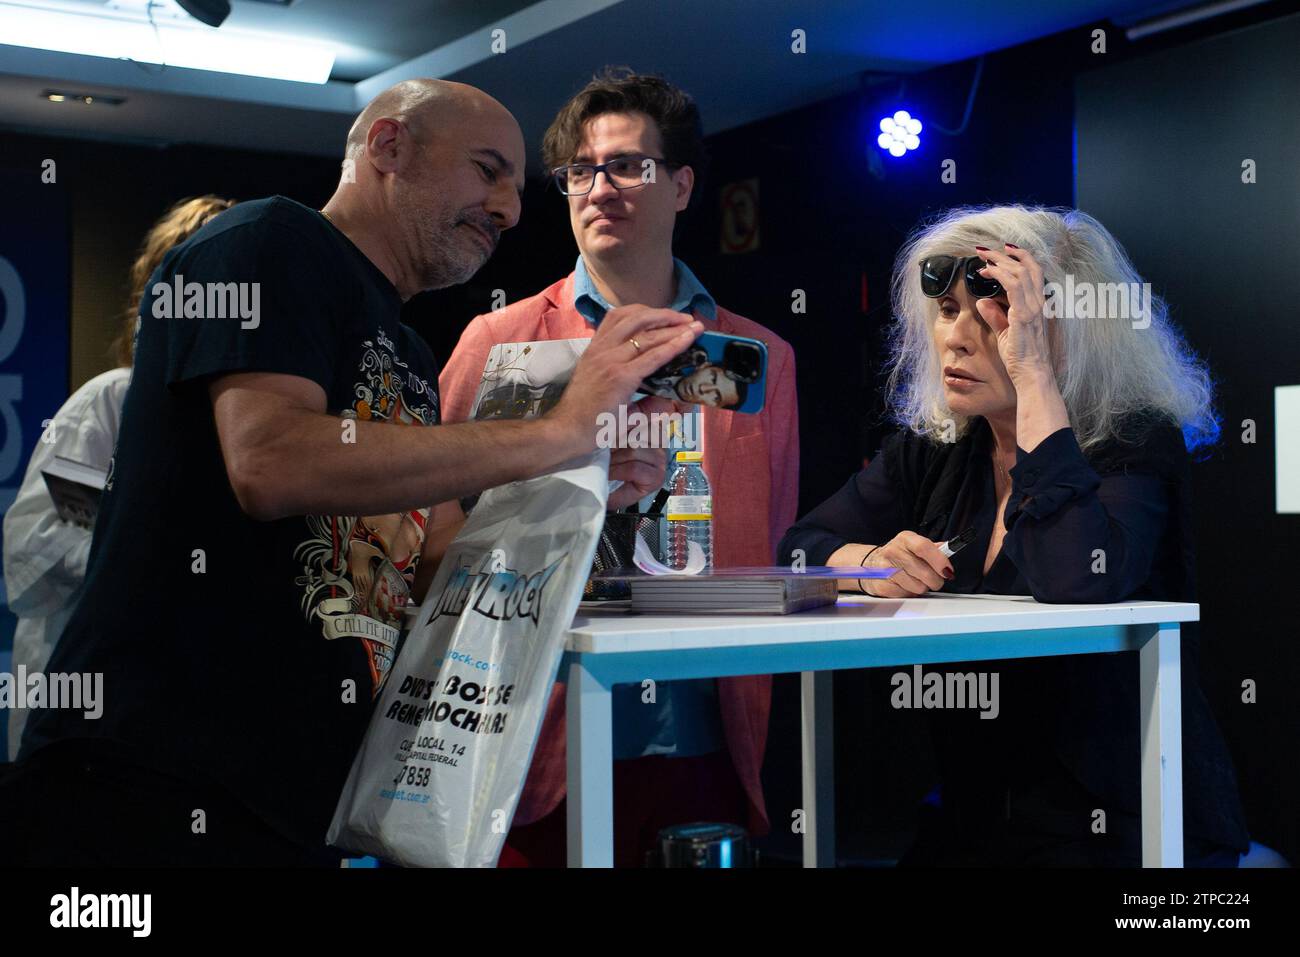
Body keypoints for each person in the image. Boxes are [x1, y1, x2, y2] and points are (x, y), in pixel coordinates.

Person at [0, 78, 699, 867]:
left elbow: (438, 561)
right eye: (486, 170)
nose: (509, 208)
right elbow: (270, 461)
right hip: (147, 785)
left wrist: (586, 485)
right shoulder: (267, 240)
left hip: (295, 800)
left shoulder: (408, 352)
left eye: (513, 186)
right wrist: (559, 430)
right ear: (390, 147)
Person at [779, 205, 1248, 867]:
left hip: (1120, 817)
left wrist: (1032, 375)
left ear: (1067, 330)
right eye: (945, 310)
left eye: (994, 315)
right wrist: (871, 562)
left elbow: (1074, 576)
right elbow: (799, 545)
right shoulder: (938, 450)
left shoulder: (1134, 441)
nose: (957, 337)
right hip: (976, 813)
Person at [438, 68, 799, 867]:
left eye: (629, 165)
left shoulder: (759, 359)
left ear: (682, 185)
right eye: (580, 170)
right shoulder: (499, 343)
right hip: (533, 736)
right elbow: (431, 528)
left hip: (705, 732)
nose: (600, 187)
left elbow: (767, 534)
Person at [2, 195, 235, 760]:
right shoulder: (111, 404)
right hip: (90, 716)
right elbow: (36, 548)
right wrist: (161, 555)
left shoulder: (253, 418)